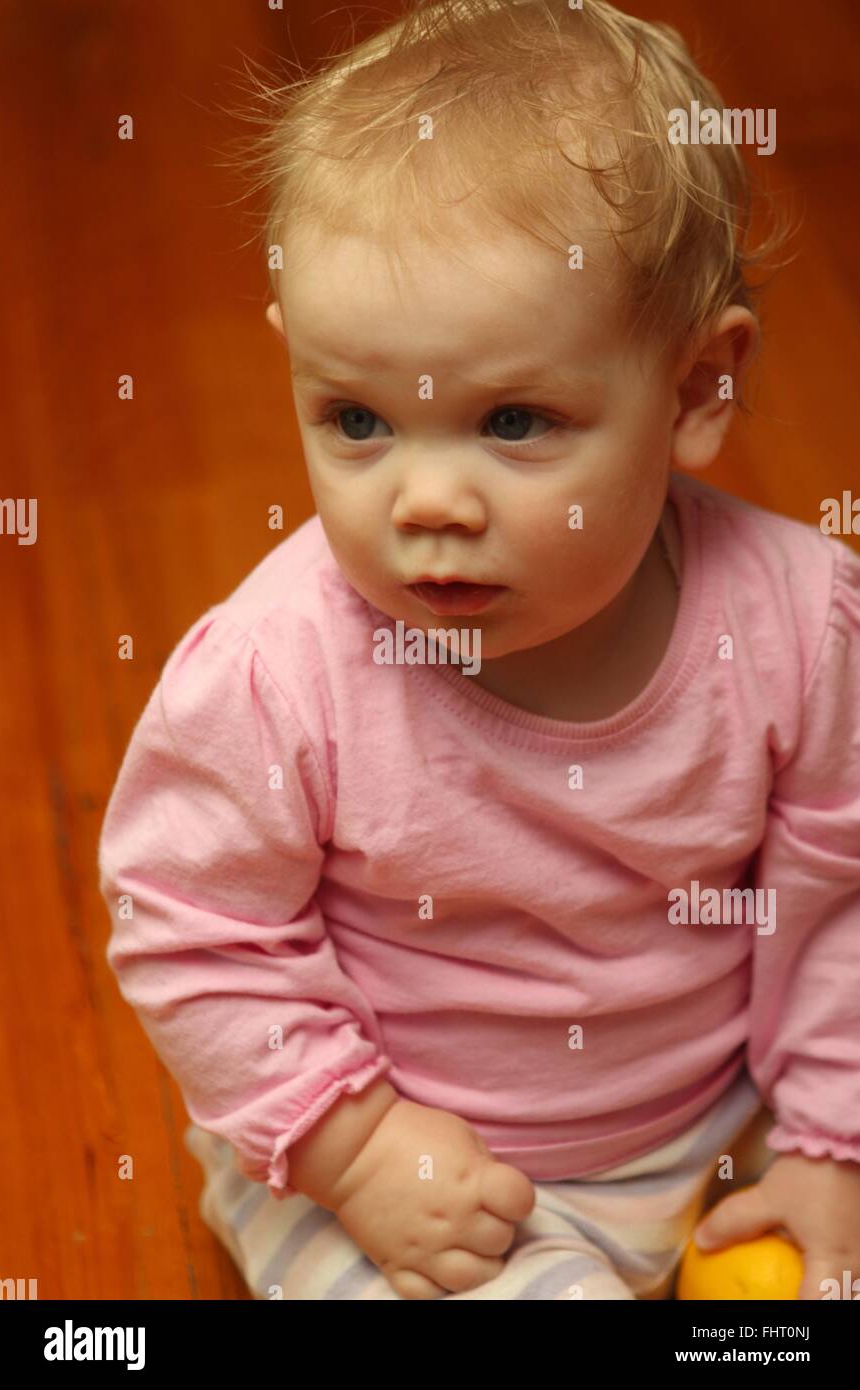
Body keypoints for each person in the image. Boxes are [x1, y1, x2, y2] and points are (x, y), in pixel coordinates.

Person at [98, 0, 860, 1300]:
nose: (425, 503)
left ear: (694, 391)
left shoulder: (799, 623)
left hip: (717, 1116)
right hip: (400, 1157)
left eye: (512, 420)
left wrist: (828, 1139)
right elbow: (193, 931)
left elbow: (840, 891)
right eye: (356, 419)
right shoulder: (278, 674)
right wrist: (356, 1145)